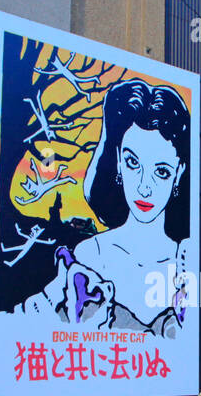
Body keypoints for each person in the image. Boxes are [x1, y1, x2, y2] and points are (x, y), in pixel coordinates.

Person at [17, 79, 191, 336]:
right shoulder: (90, 256)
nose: (144, 187)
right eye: (133, 162)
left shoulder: (184, 263)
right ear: (118, 160)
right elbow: (29, 324)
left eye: (161, 172)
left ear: (179, 175)